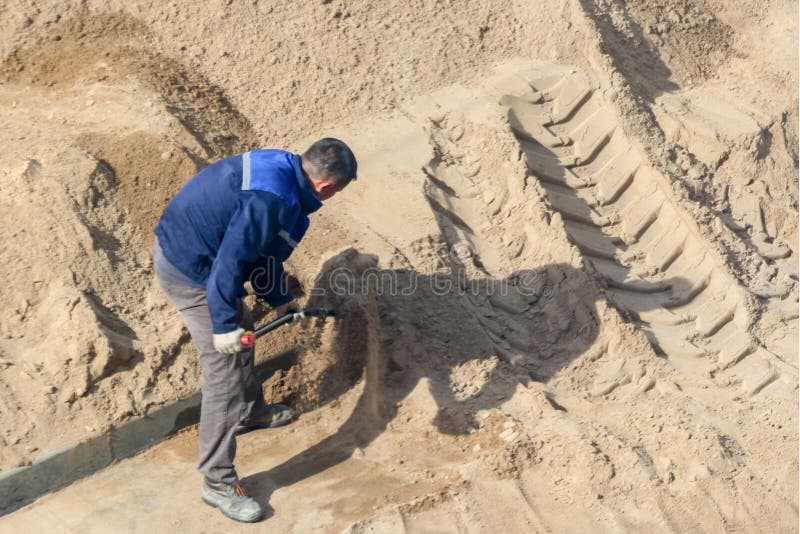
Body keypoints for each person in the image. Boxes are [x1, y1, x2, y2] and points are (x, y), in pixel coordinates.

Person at [152, 138, 357, 522]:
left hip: (194, 252)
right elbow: (230, 262)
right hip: (191, 271)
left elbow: (260, 250)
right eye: (337, 193)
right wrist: (223, 325)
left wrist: (280, 298)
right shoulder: (272, 199)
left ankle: (252, 413)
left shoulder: (281, 167)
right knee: (224, 377)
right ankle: (217, 481)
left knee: (243, 330)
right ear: (327, 187)